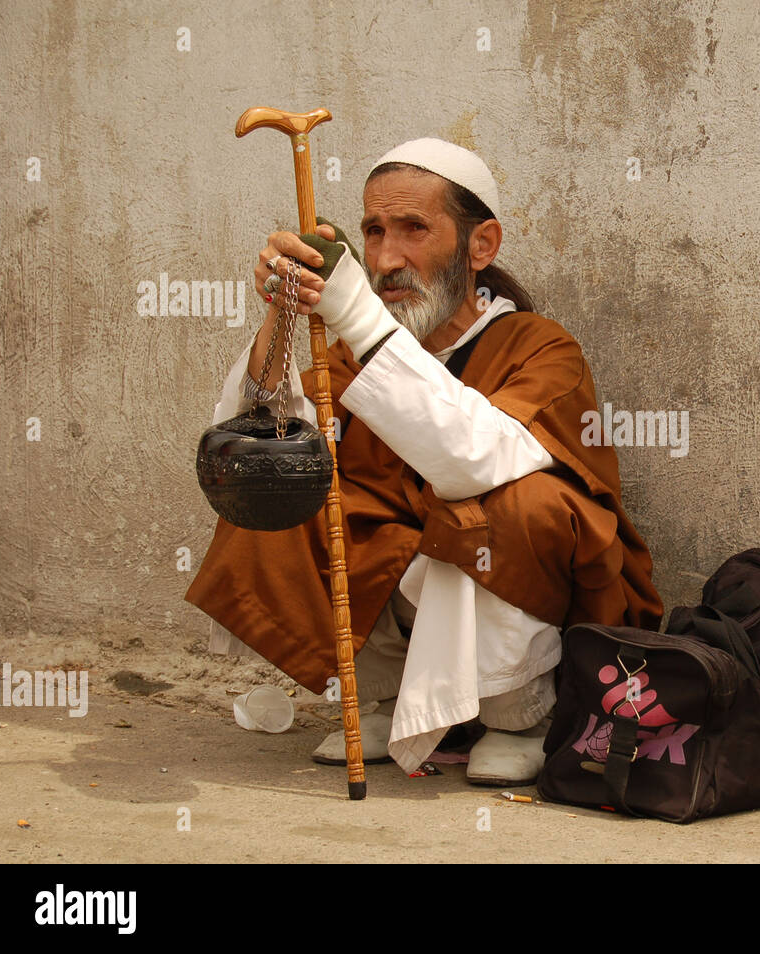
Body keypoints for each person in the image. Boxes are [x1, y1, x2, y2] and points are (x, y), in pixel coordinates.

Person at [185, 138, 663, 785]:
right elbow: (256, 439)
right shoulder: (353, 353)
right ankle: (382, 698)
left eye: (414, 229)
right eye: (374, 231)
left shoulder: (540, 348)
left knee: (514, 504)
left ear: (480, 245)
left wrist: (354, 310)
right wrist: (283, 310)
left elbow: (476, 457)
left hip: (519, 582)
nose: (385, 259)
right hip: (402, 591)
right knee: (290, 487)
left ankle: (517, 716)